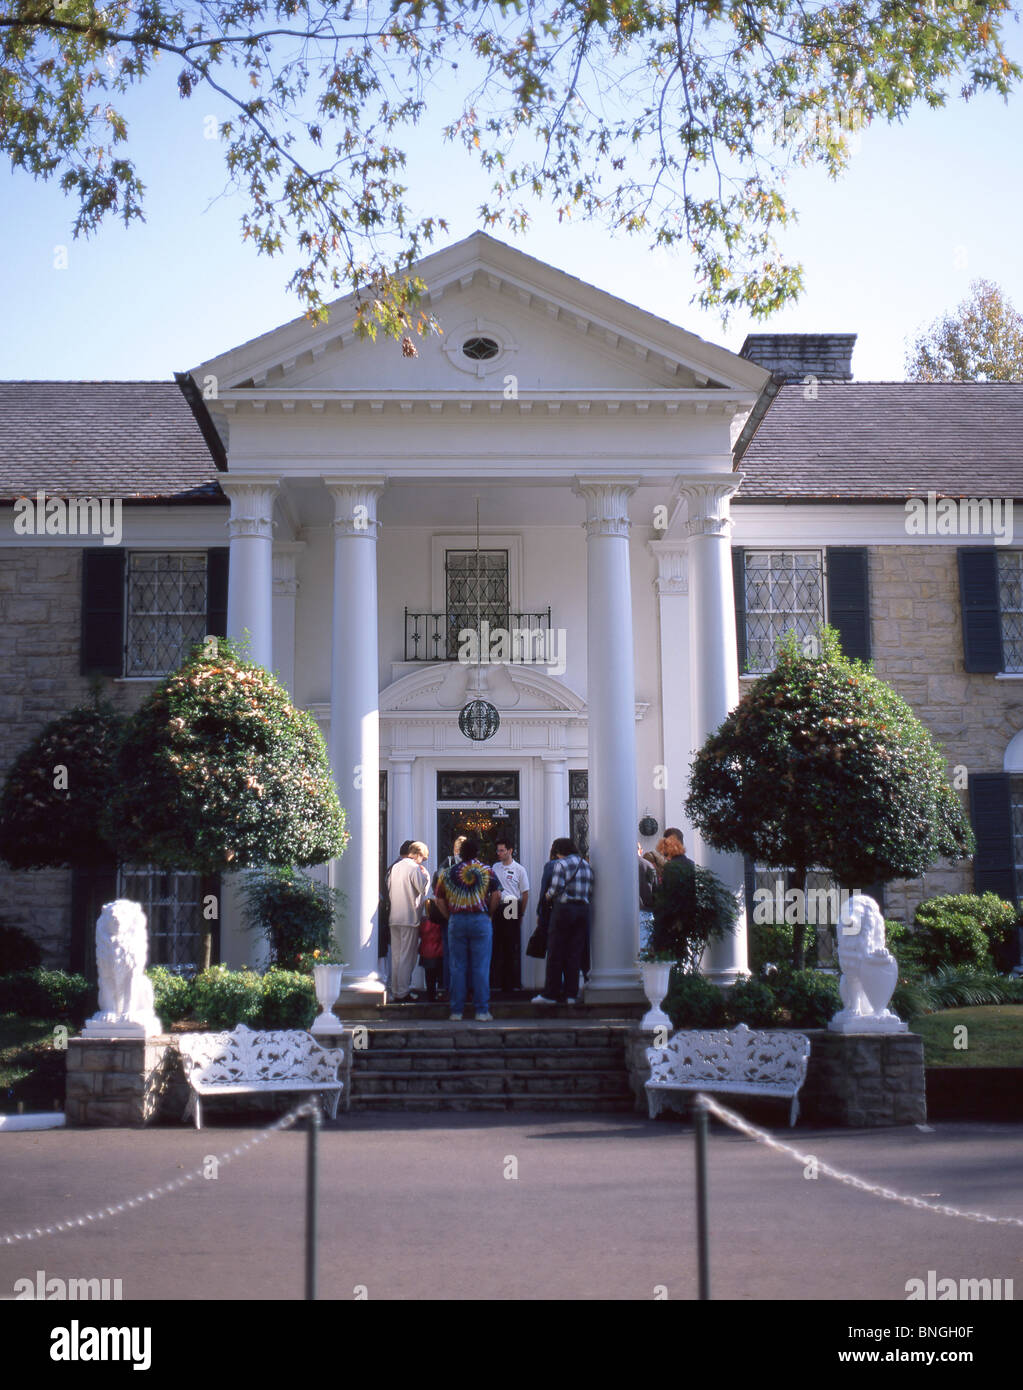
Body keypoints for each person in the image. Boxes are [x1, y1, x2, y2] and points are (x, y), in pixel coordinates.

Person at [434, 838, 501, 1022]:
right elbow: (497, 894)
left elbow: (438, 899)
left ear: (460, 853)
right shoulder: (486, 870)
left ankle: (456, 1011)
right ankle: (481, 1010)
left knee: (457, 966)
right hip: (480, 919)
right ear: (477, 852)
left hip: (457, 919)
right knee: (480, 966)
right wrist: (490, 914)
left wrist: (450, 917)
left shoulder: (448, 873)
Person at [533, 836, 593, 1006]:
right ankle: (571, 994)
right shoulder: (586, 865)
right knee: (575, 952)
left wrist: (547, 897)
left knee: (556, 951)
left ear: (559, 851)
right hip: (582, 911)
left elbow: (555, 888)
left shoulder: (561, 864)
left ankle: (550, 994)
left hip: (564, 910)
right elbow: (590, 889)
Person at [386, 841, 430, 1002]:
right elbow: (423, 889)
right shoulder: (414, 868)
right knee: (407, 957)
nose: (423, 861)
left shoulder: (395, 867)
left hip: (394, 917)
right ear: (418, 854)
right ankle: (403, 992)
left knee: (397, 956)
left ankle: (397, 990)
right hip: (409, 917)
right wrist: (426, 876)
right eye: (423, 858)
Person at [490, 835, 529, 994]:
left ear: (510, 851)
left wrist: (521, 914)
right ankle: (496, 981)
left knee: (510, 944)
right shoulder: (495, 867)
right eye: (498, 850)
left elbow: (525, 893)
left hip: (512, 904)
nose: (499, 853)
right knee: (496, 943)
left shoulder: (519, 869)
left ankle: (510, 984)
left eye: (502, 850)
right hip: (497, 905)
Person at [379, 840, 413, 990]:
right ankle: (401, 988)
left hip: (392, 915)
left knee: (397, 955)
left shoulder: (391, 868)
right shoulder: (406, 868)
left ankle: (396, 987)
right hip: (402, 916)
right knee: (403, 955)